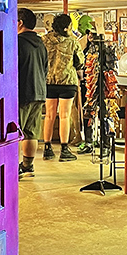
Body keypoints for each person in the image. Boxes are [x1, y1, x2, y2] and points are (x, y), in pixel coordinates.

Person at [42, 13, 84, 161]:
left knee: (49, 115)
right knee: (65, 115)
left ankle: (47, 148)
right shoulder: (73, 42)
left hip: (48, 82)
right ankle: (64, 149)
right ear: (67, 26)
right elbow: (80, 62)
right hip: (67, 82)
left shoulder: (44, 40)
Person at [17, 8, 48, 178]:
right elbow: (45, 69)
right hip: (39, 93)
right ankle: (28, 166)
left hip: (23, 93)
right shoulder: (41, 44)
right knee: (31, 131)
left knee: (15, 132)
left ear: (20, 23)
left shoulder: (17, 42)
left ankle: (14, 168)